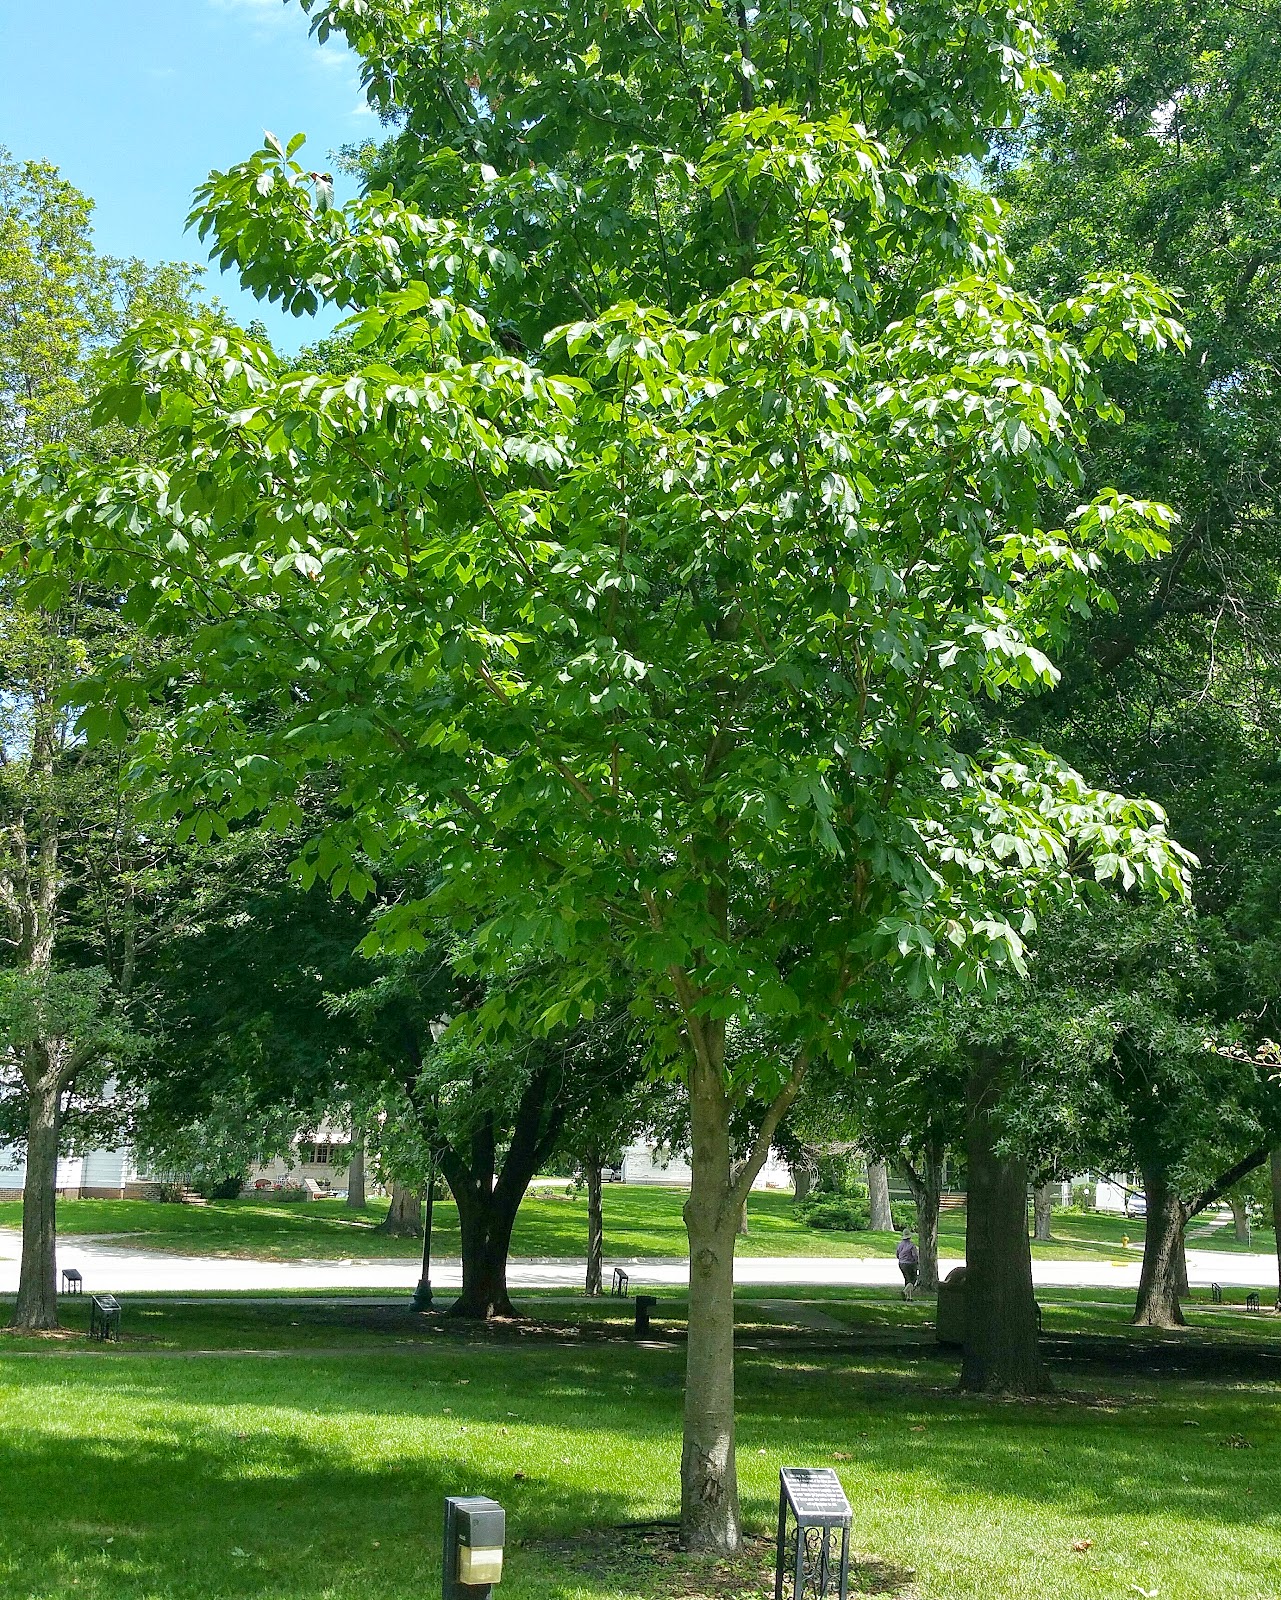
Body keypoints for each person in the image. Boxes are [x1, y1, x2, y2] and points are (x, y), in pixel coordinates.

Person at [896, 1229, 919, 1300]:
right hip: (910, 1264)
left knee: (907, 1280)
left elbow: (897, 1254)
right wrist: (917, 1262)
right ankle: (904, 1291)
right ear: (910, 1237)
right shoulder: (912, 1245)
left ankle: (909, 1297)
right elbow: (915, 1255)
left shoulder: (900, 1245)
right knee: (913, 1280)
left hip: (901, 1264)